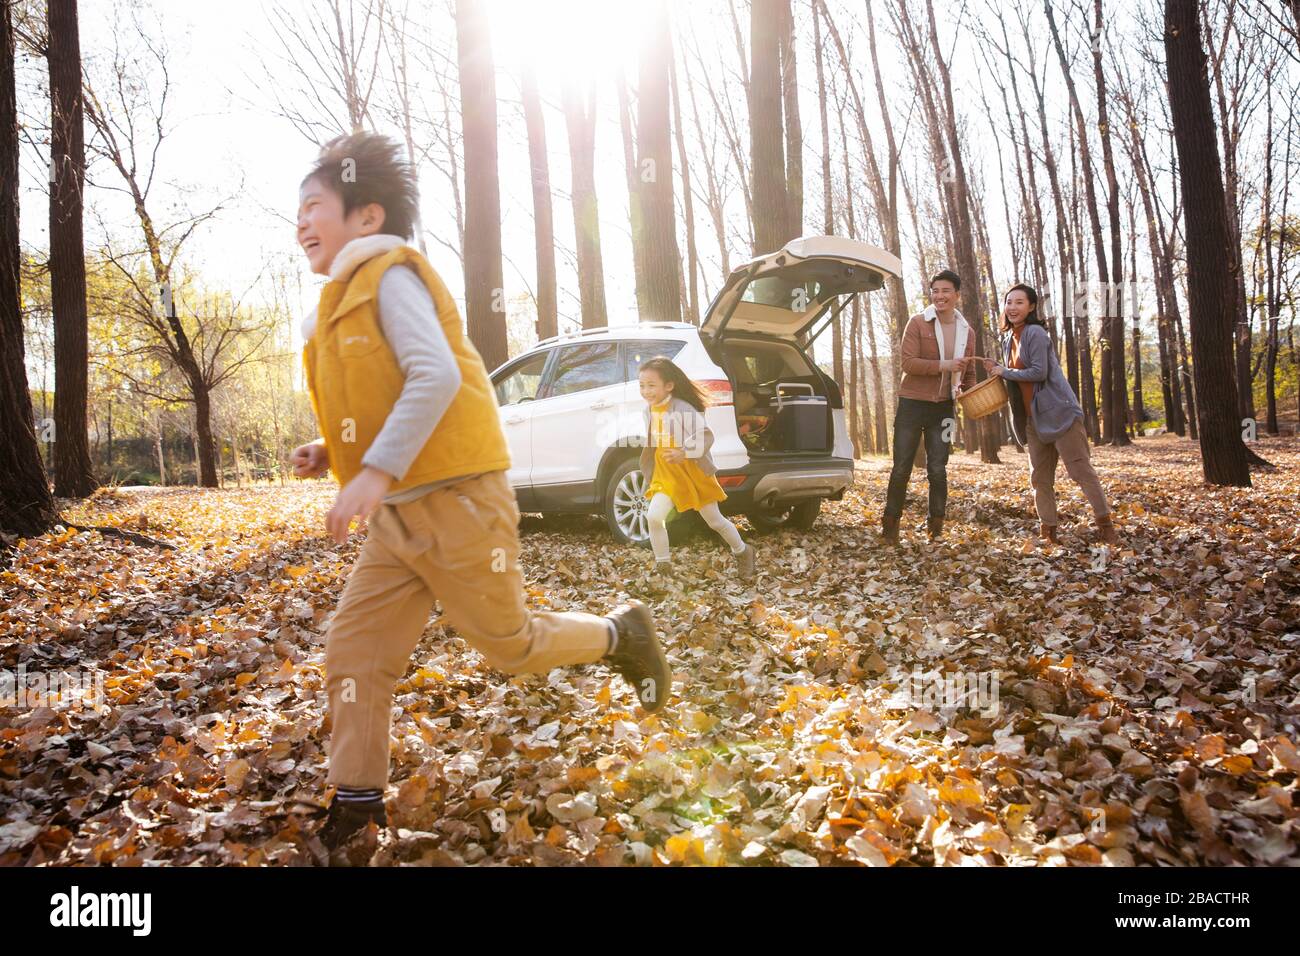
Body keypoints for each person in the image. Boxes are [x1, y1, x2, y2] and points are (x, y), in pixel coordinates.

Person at [289, 133, 672, 861]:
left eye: (314, 206)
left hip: (462, 498)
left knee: (510, 645)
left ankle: (623, 634)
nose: (301, 222)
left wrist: (369, 472)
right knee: (355, 650)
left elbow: (432, 376)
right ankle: (358, 798)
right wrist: (333, 452)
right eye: (296, 211)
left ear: (367, 218)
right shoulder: (330, 314)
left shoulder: (390, 275)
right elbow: (376, 401)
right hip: (398, 516)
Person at [984, 283, 1119, 546]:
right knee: (1039, 478)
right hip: (1032, 420)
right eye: (1009, 302)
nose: (1012, 307)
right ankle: (1049, 532)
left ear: (1031, 307)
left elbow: (1039, 372)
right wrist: (997, 371)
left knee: (1081, 472)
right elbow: (1014, 380)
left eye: (1019, 302)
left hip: (1060, 414)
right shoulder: (1007, 339)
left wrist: (1003, 371)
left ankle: (1105, 525)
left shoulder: (1035, 333)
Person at [637, 357, 756, 583]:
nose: (646, 391)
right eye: (642, 385)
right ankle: (663, 567)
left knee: (714, 521)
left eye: (651, 385)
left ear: (669, 385)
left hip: (693, 473)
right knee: (654, 517)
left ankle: (743, 551)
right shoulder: (648, 411)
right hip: (667, 474)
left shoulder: (682, 408)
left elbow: (705, 435)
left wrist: (683, 452)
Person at [880, 269, 976, 544]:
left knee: (938, 468)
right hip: (911, 404)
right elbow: (908, 363)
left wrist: (969, 391)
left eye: (946, 290)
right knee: (901, 467)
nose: (940, 295)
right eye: (935, 290)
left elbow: (967, 372)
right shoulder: (918, 323)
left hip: (944, 409)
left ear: (957, 295)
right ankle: (890, 524)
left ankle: (935, 525)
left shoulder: (966, 332)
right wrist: (944, 366)